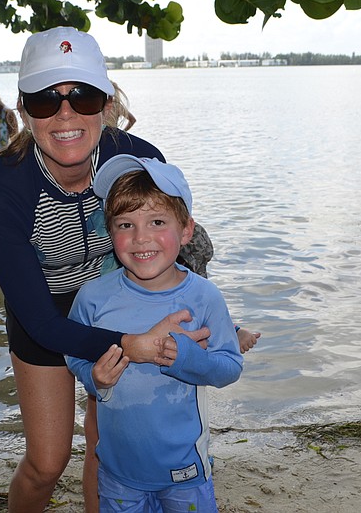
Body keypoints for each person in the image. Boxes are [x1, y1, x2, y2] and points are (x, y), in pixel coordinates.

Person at [0, 26, 210, 513]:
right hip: (45, 318)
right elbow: (39, 322)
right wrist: (129, 345)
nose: (65, 115)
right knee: (47, 461)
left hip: (123, 309)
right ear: (24, 110)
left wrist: (207, 317)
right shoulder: (4, 188)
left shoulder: (139, 160)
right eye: (45, 100)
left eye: (82, 97)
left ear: (106, 102)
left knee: (109, 453)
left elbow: (174, 251)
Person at [66, 154, 243, 511]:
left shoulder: (204, 296)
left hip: (185, 469)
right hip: (117, 471)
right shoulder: (93, 297)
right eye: (125, 225)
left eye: (157, 221)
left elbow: (229, 366)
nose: (140, 238)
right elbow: (75, 354)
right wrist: (94, 378)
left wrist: (188, 359)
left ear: (187, 229)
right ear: (109, 230)